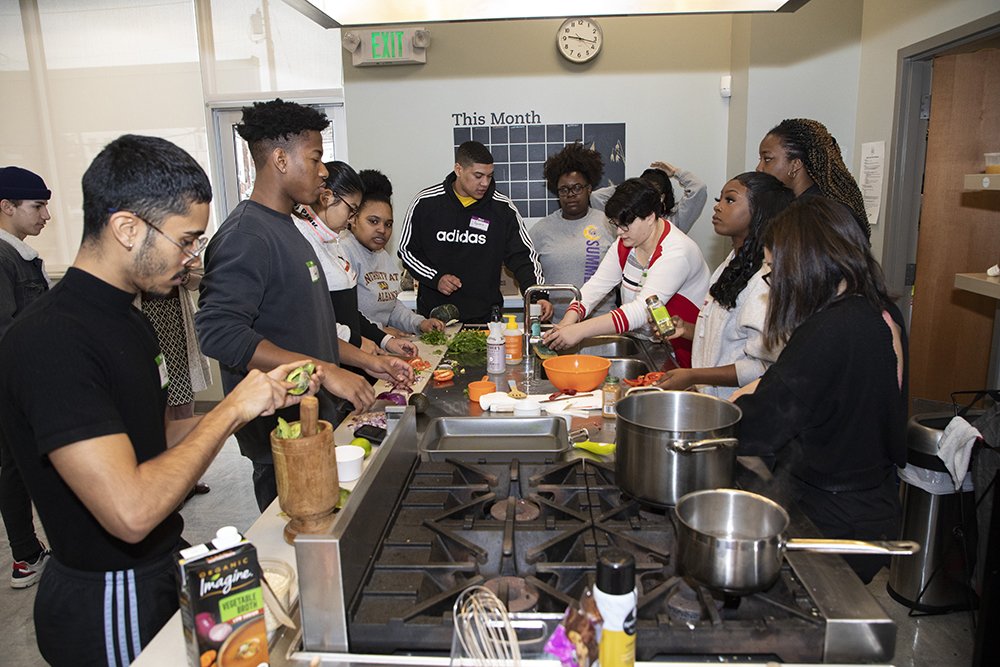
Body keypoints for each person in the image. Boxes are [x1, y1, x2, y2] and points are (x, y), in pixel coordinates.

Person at [0, 134, 319, 666]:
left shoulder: (128, 318)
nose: (192, 258)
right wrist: (231, 408)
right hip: (109, 596)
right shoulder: (53, 340)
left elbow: (149, 439)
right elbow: (131, 511)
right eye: (186, 240)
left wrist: (256, 400)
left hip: (155, 572)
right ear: (127, 228)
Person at [196, 99, 411, 511]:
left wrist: (367, 361)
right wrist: (324, 370)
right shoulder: (247, 236)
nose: (324, 171)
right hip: (279, 434)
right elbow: (219, 332)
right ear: (279, 159)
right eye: (314, 158)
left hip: (314, 419)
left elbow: (310, 328)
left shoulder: (292, 230)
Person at [733, 197, 907, 583]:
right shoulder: (878, 310)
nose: (773, 281)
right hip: (871, 505)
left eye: (774, 269)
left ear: (804, 264)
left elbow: (762, 427)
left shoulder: (829, 330)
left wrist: (721, 420)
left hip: (831, 518)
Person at [542, 178, 711, 368]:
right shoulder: (627, 242)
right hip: (653, 345)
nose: (620, 232)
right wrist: (568, 321)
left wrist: (579, 331)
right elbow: (597, 286)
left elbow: (641, 310)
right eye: (616, 225)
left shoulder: (676, 253)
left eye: (626, 225)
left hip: (685, 353)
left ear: (650, 217)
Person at [656, 173, 794, 398]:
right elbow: (727, 339)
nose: (718, 207)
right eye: (718, 200)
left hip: (740, 405)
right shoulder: (731, 262)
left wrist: (695, 375)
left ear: (759, 210)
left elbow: (762, 366)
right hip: (713, 398)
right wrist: (688, 329)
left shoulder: (766, 279)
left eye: (729, 200)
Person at [397, 140, 552, 323]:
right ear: (458, 169)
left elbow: (523, 257)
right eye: (478, 175)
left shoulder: (502, 208)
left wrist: (537, 295)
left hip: (485, 319)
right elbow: (406, 251)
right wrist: (435, 278)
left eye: (489, 176)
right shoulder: (426, 203)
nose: (485, 183)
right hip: (434, 319)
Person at [292, 160, 417, 357]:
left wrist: (383, 340)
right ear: (326, 197)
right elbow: (310, 321)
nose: (350, 219)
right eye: (351, 209)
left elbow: (349, 314)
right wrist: (365, 340)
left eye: (388, 224)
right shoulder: (303, 241)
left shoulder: (333, 243)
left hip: (347, 351)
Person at [0, 166, 53, 589]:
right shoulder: (3, 260)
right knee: (17, 468)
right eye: (37, 206)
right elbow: (9, 336)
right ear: (7, 206)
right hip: (13, 388)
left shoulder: (21, 256)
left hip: (22, 384)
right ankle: (26, 554)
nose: (46, 215)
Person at [341, 169, 445, 336]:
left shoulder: (382, 256)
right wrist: (380, 331)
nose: (382, 230)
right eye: (373, 221)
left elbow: (391, 306)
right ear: (353, 219)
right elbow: (343, 314)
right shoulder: (344, 251)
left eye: (388, 224)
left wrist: (420, 323)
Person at [528, 143, 616, 321]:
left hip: (601, 326)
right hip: (556, 327)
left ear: (589, 188)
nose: (570, 194)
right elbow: (529, 273)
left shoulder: (609, 224)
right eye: (564, 190)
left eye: (577, 188)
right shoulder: (541, 230)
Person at [756, 118, 870, 240]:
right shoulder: (788, 205)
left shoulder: (822, 215)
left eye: (767, 159)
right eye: (760, 159)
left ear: (795, 165)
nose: (759, 168)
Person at [591, 160, 708, 234]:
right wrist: (629, 188)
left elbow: (699, 189)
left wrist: (676, 172)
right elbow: (597, 197)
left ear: (662, 197)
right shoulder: (627, 215)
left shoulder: (674, 220)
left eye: (654, 192)